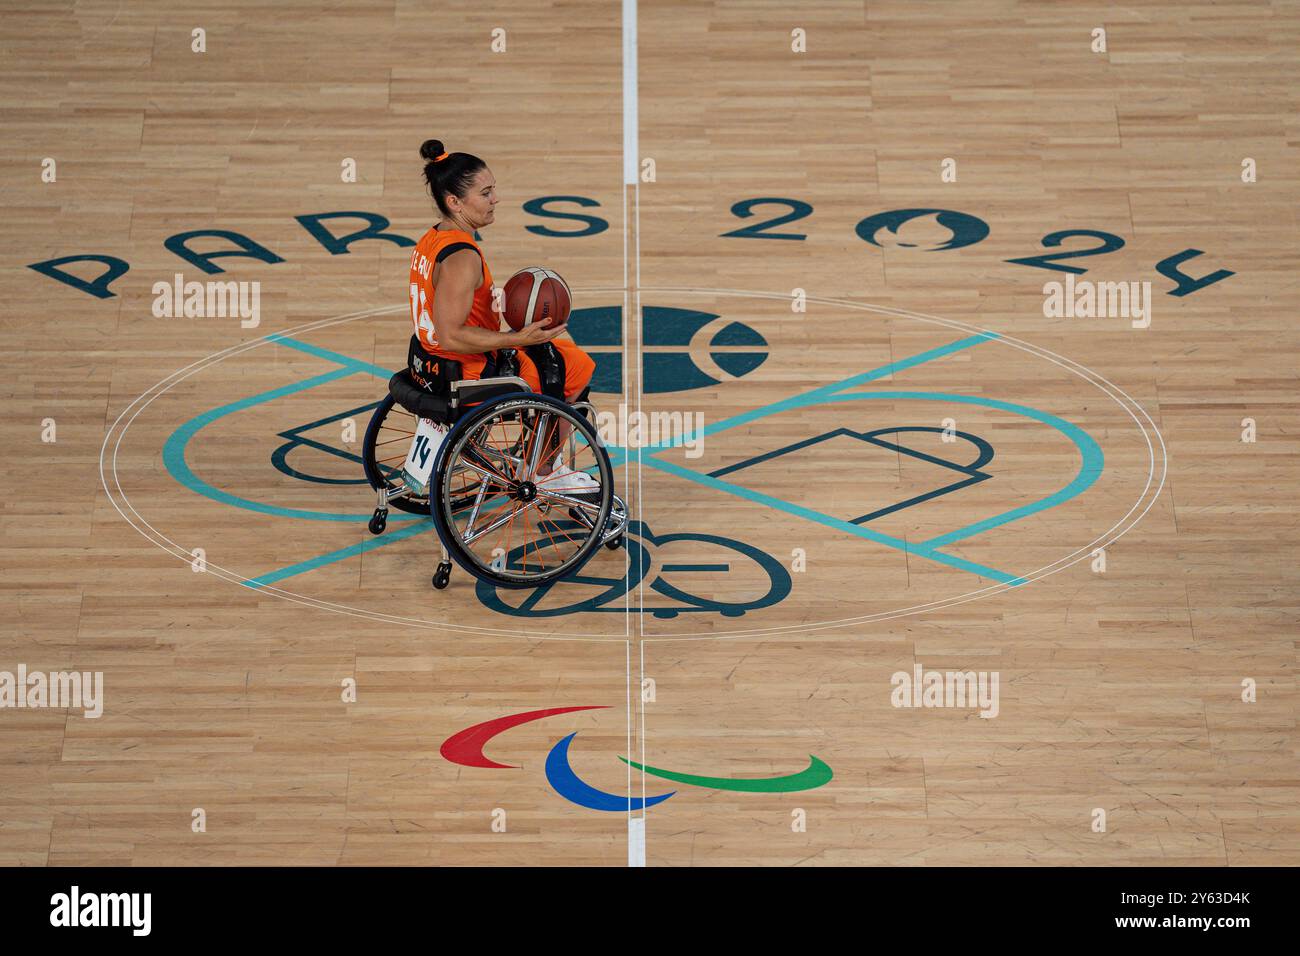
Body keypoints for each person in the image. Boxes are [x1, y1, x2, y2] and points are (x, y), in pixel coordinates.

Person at [407, 138, 597, 490]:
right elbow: (451, 333)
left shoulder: (432, 238)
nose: (496, 199)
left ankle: (535, 449)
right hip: (467, 368)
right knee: (574, 368)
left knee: (557, 351)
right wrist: (516, 338)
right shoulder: (462, 257)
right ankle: (544, 472)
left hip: (428, 361)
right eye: (486, 193)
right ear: (455, 202)